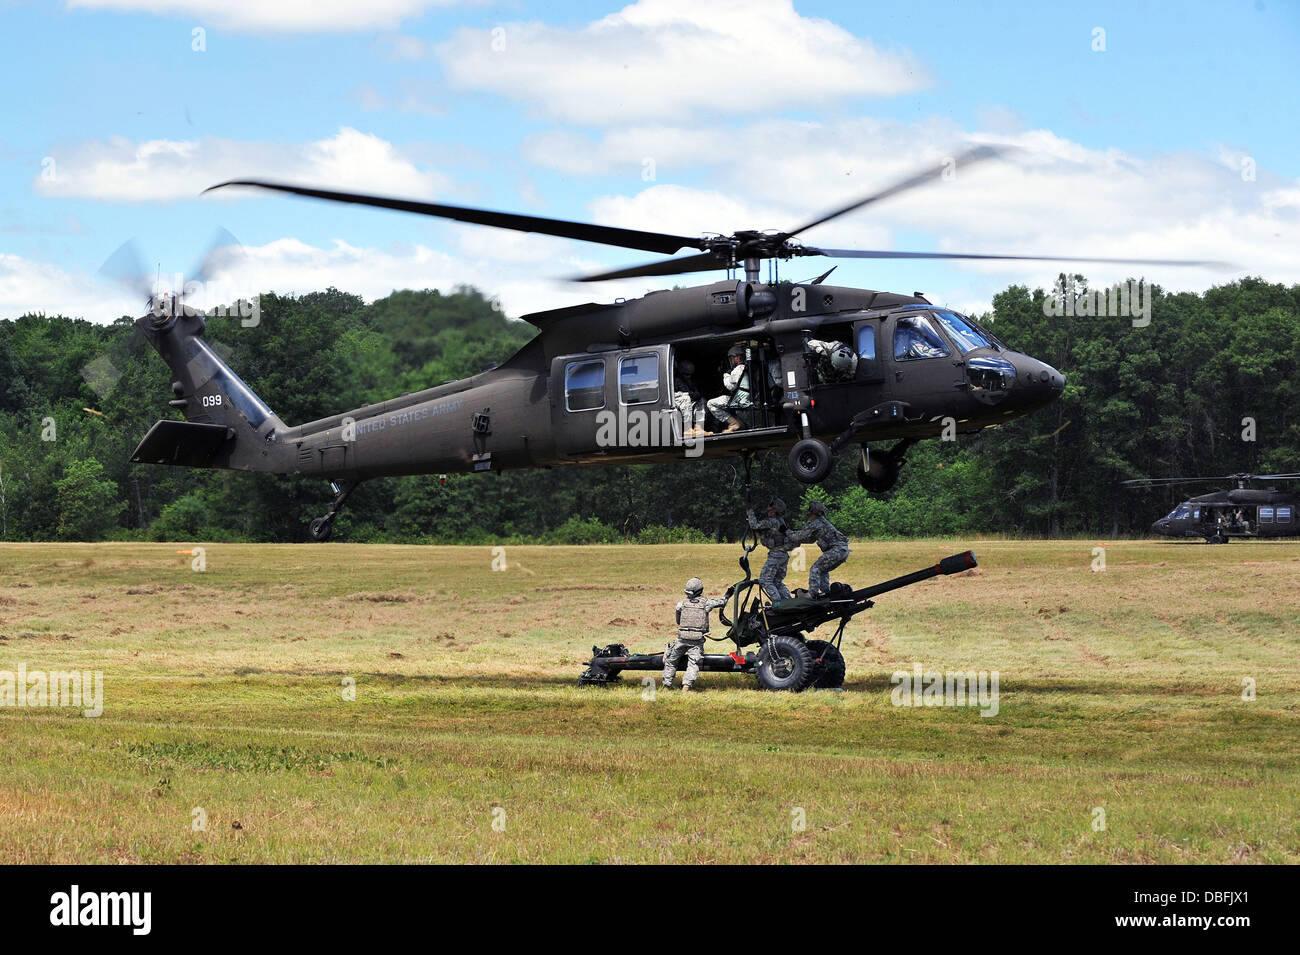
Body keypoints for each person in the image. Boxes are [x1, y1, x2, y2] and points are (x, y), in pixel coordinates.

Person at [664, 577, 729, 691]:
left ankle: (666, 685)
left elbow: (678, 621)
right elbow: (722, 601)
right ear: (700, 590)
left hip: (682, 638)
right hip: (696, 640)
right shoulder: (706, 603)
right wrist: (728, 594)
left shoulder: (681, 604)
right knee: (693, 663)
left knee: (671, 660)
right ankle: (686, 687)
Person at [790, 500, 850, 598]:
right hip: (842, 551)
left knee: (815, 568)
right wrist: (797, 541)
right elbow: (810, 539)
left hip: (837, 550)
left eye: (809, 513)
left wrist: (786, 532)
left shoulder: (817, 523)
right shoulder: (822, 523)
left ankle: (812, 594)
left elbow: (798, 536)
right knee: (822, 570)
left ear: (813, 512)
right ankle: (826, 593)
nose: (808, 515)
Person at [747, 497, 795, 601]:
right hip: (783, 554)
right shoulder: (780, 521)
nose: (768, 511)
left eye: (770, 509)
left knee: (765, 580)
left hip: (776, 555)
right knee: (777, 582)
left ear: (774, 511)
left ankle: (777, 605)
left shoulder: (772, 521)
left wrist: (750, 512)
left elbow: (754, 525)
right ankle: (789, 603)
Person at [705, 345, 750, 433]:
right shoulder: (747, 367)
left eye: (731, 358)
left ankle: (734, 423)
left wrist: (726, 375)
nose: (731, 360)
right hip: (746, 397)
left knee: (711, 403)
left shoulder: (738, 369)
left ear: (737, 357)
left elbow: (730, 386)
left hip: (740, 399)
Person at [673, 358, 705, 437]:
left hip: (689, 399)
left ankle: (698, 427)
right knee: (686, 398)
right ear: (681, 372)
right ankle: (688, 429)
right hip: (678, 400)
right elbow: (686, 393)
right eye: (686, 374)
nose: (688, 376)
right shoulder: (677, 380)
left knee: (702, 401)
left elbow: (695, 392)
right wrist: (693, 394)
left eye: (690, 374)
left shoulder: (690, 380)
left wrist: (697, 394)